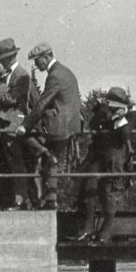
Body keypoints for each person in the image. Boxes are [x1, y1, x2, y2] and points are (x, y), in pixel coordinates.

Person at [24, 42, 83, 211]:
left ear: (47, 56)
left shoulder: (55, 75)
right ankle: (50, 200)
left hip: (60, 127)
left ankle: (49, 201)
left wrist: (25, 124)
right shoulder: (66, 71)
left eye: (37, 60)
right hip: (71, 125)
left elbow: (42, 103)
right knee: (50, 163)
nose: (36, 64)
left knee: (46, 159)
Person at [78, 87, 135, 244]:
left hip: (114, 157)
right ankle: (89, 226)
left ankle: (107, 229)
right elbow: (93, 125)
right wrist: (101, 112)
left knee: (109, 191)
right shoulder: (104, 110)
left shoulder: (128, 116)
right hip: (99, 155)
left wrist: (119, 119)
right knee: (90, 183)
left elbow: (124, 136)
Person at [0, 37, 39, 207]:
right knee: (11, 164)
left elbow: (11, 99)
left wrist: (1, 95)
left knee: (17, 164)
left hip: (14, 124)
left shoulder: (22, 75)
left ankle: (22, 200)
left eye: (2, 59)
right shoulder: (11, 74)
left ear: (8, 58)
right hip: (7, 125)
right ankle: (19, 199)